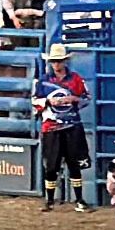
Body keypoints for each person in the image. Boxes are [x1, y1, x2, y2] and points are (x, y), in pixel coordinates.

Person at [32, 42, 92, 212]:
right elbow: (34, 100)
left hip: (72, 126)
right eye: (54, 61)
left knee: (74, 163)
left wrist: (74, 99)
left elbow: (87, 98)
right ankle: (50, 200)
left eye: (59, 61)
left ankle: (79, 199)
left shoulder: (76, 79)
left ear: (65, 61)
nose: (56, 64)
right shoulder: (43, 81)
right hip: (51, 127)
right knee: (51, 165)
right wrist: (48, 101)